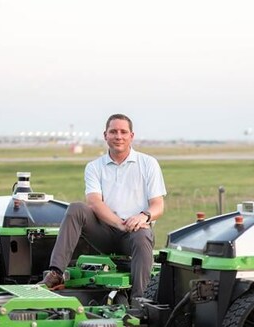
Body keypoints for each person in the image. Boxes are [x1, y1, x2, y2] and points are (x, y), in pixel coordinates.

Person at [39, 114, 166, 301]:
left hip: (134, 233)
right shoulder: (94, 167)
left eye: (123, 132)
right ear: (105, 135)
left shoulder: (148, 164)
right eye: (113, 132)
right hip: (105, 231)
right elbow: (94, 202)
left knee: (143, 235)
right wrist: (119, 223)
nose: (118, 136)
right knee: (76, 208)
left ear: (132, 135)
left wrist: (144, 216)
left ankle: (139, 301)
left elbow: (158, 205)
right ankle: (56, 272)